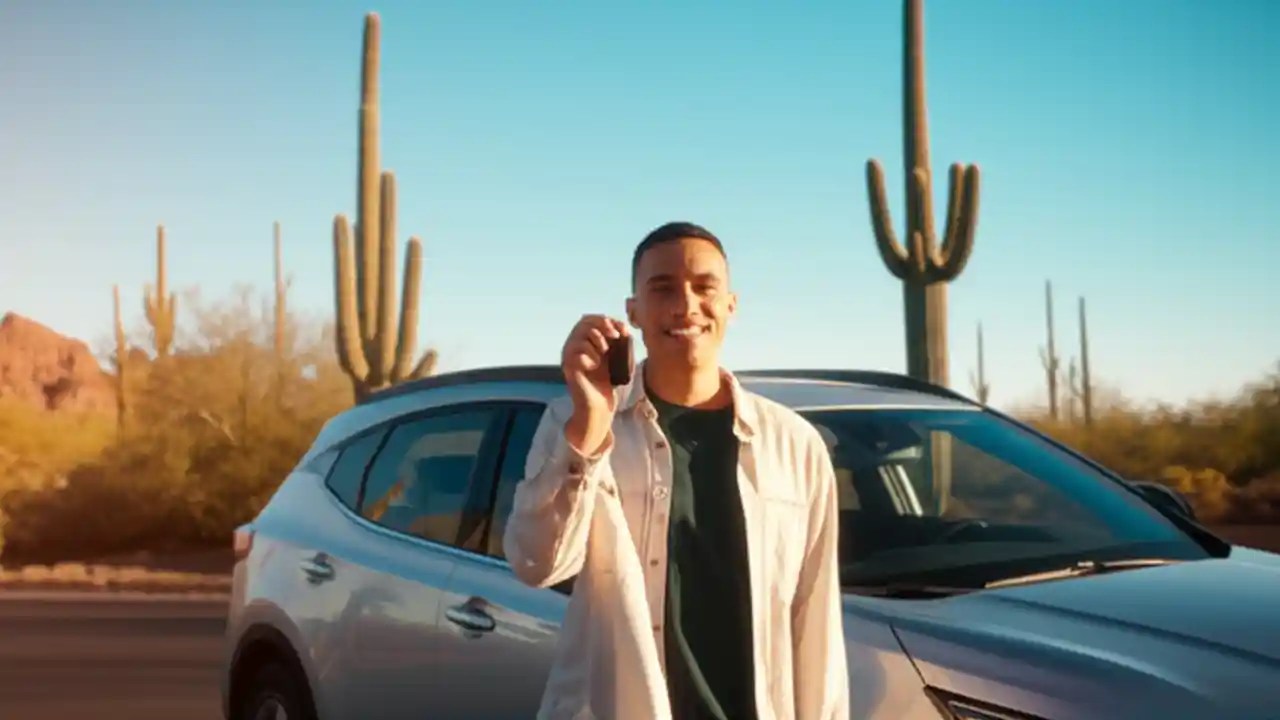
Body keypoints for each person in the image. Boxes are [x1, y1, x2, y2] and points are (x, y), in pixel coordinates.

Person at [503, 221, 849, 720]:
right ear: (633, 312)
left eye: (704, 287)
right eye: (662, 288)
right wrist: (590, 428)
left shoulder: (795, 446)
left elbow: (816, 624)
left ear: (731, 304)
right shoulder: (574, 422)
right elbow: (536, 563)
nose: (686, 305)